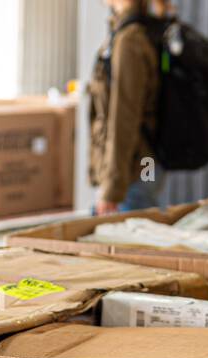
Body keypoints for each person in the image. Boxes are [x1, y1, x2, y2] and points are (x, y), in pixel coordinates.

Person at [89, 0, 164, 214]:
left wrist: (112, 189)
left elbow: (124, 120)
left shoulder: (129, 41)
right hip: (147, 160)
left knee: (133, 237)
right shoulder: (143, 30)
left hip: (136, 166)